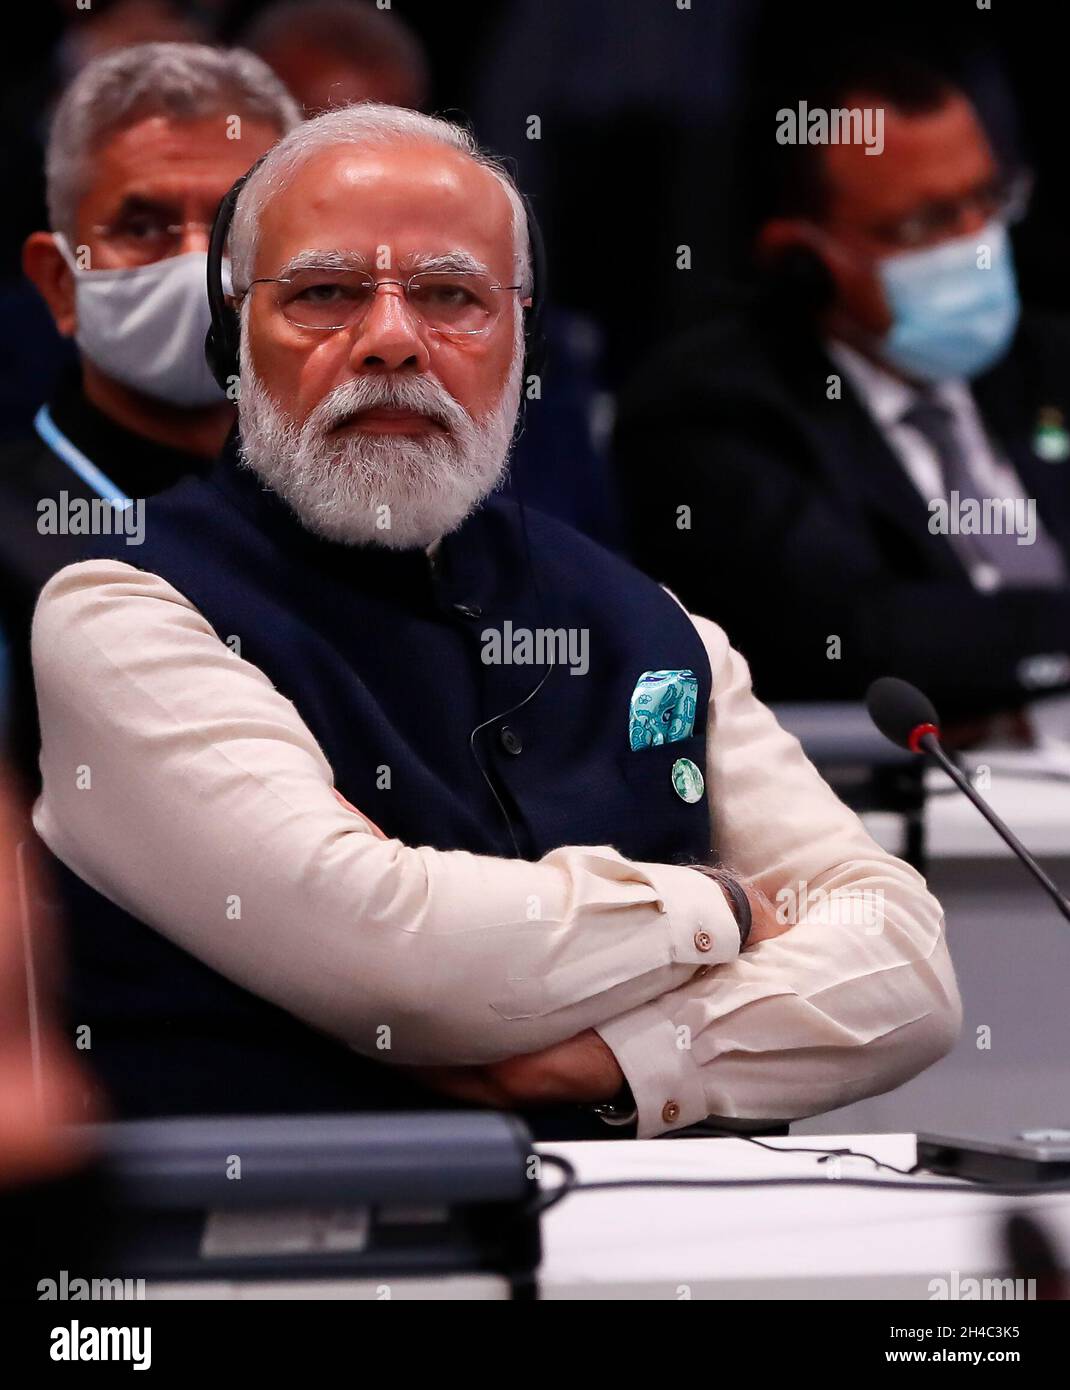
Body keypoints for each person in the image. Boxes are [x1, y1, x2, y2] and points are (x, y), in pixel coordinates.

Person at [32, 104, 959, 1140]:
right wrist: (722, 909)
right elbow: (394, 961)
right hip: (310, 1228)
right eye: (325, 293)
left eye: (450, 296)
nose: (391, 342)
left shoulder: (646, 621)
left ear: (522, 343)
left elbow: (907, 968)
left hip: (679, 1226)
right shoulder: (125, 611)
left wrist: (626, 1061)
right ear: (233, 341)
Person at [614, 58, 1070, 728]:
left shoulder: (1049, 360)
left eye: (988, 199)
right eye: (925, 223)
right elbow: (850, 638)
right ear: (804, 253)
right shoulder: (711, 408)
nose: (977, 243)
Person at [0, 42, 300, 786]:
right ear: (60, 282)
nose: (197, 264)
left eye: (235, 228)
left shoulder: (365, 514)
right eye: (143, 227)